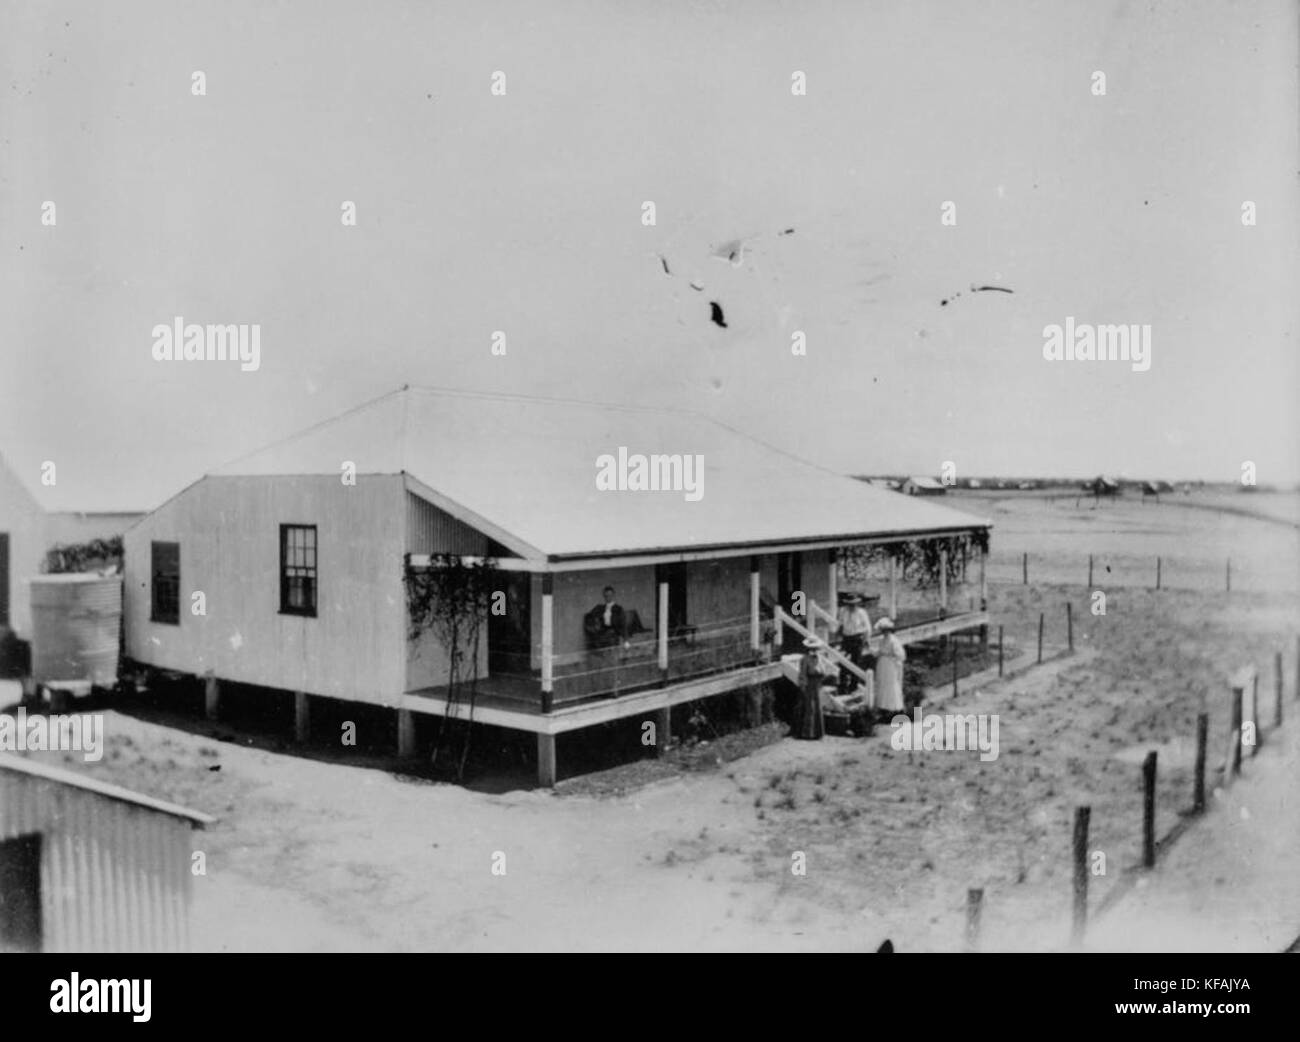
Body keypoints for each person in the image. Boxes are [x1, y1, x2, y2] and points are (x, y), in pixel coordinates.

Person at [835, 593, 873, 694]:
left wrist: (866, 640)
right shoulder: (843, 611)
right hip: (846, 639)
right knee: (843, 662)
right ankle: (842, 686)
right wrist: (838, 638)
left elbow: (868, 628)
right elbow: (840, 625)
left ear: (857, 604)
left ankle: (853, 687)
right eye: (850, 604)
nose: (852, 606)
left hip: (857, 639)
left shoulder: (861, 613)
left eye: (854, 604)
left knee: (856, 663)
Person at [794, 636, 828, 739]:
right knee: (810, 707)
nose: (814, 650)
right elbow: (803, 673)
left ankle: (818, 732)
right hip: (809, 683)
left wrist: (823, 676)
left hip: (818, 683)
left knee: (817, 706)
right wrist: (803, 685)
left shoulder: (820, 658)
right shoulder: (805, 659)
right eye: (812, 648)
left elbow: (823, 670)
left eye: (815, 648)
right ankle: (807, 733)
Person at [873, 616, 906, 714]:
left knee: (891, 684)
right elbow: (878, 652)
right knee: (882, 684)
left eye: (886, 630)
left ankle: (894, 708)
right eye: (883, 630)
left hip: (890, 664)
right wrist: (872, 650)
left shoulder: (893, 640)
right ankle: (883, 707)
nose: (884, 632)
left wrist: (891, 656)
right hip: (882, 664)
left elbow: (900, 655)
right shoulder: (881, 640)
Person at [584, 586, 627, 650]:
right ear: (604, 596)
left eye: (610, 595)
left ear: (613, 595)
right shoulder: (599, 608)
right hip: (602, 635)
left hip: (614, 635)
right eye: (606, 596)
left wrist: (626, 640)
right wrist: (595, 626)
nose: (608, 598)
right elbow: (588, 617)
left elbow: (623, 625)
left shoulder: (618, 609)